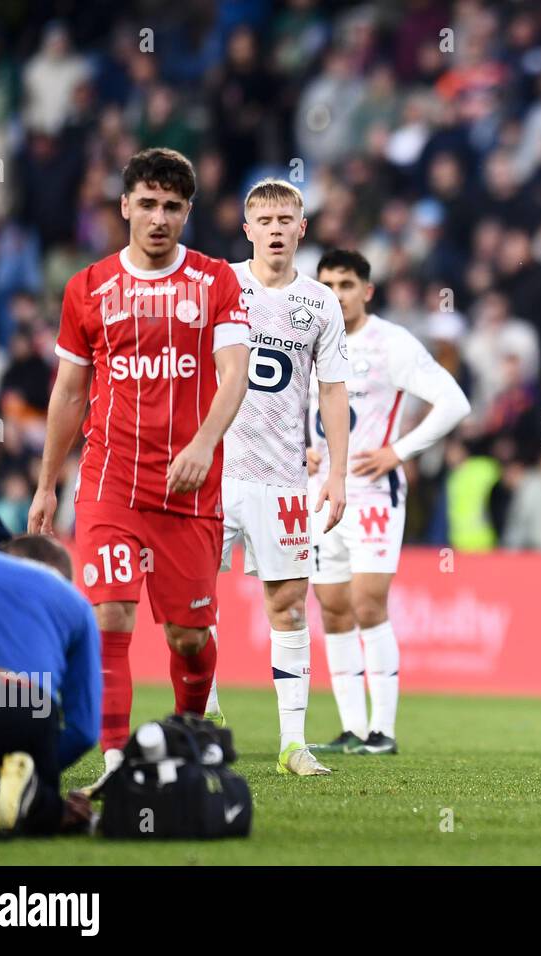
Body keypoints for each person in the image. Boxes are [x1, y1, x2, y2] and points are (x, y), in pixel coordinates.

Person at [28, 147, 251, 782]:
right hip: (109, 483)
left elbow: (234, 374)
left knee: (187, 636)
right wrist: (48, 483)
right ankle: (118, 760)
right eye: (147, 204)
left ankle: (189, 731)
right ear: (124, 205)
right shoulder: (88, 287)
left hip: (189, 488)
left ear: (188, 213)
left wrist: (205, 443)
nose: (158, 218)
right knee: (111, 615)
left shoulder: (215, 282)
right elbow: (70, 392)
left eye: (172, 207)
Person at [202, 179, 349, 776]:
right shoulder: (219, 285)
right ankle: (203, 721)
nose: (276, 228)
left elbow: (333, 391)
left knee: (288, 607)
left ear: (302, 227)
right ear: (247, 229)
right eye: (264, 219)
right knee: (193, 605)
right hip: (213, 472)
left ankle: (294, 744)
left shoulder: (321, 303)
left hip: (284, 480)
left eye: (286, 218)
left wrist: (336, 472)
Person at [304, 249, 470, 755]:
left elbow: (455, 402)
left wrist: (399, 451)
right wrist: (300, 450)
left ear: (367, 291)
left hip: (373, 492)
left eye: (347, 285)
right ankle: (353, 728)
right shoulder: (304, 342)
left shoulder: (390, 343)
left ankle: (384, 731)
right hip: (318, 492)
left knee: (367, 603)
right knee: (332, 608)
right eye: (327, 284)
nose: (336, 295)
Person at [0, 535, 99, 835]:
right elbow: (84, 731)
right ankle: (27, 788)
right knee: (45, 807)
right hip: (26, 704)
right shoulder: (76, 604)